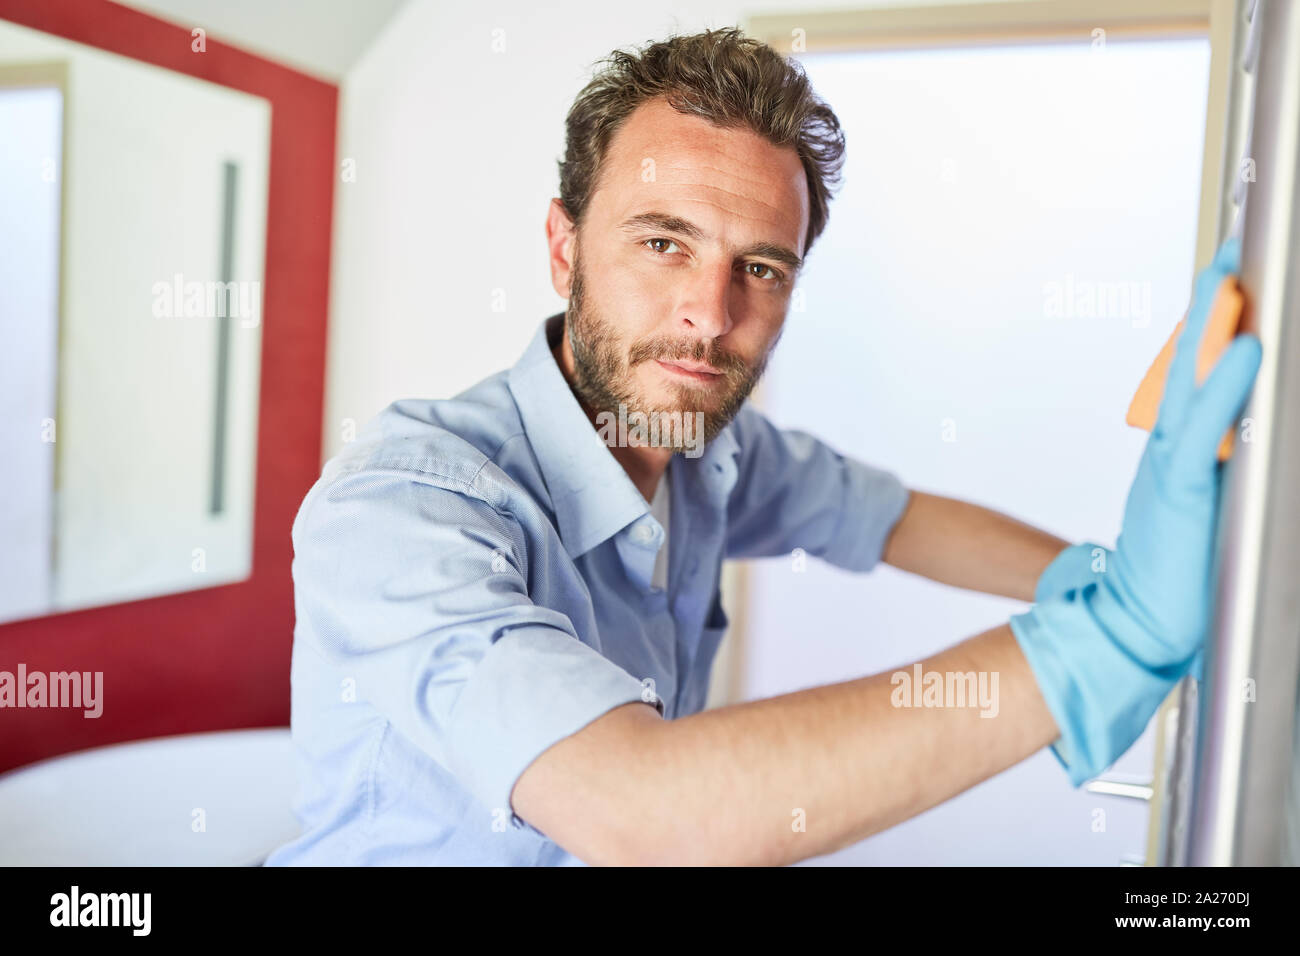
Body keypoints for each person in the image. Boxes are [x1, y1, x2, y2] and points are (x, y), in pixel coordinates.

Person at [265, 27, 1262, 866]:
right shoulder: (402, 507)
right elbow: (633, 804)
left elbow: (894, 519)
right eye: (664, 243)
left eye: (760, 266)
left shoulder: (706, 451)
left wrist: (1118, 576)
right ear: (564, 246)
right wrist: (1111, 636)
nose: (710, 314)